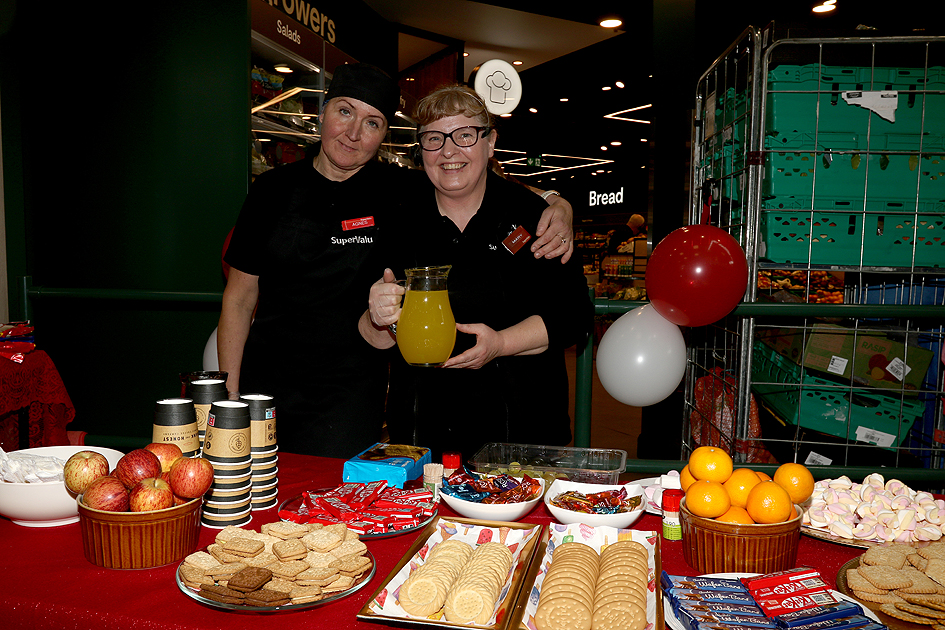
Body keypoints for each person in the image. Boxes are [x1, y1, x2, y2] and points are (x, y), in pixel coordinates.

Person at [219, 64, 576, 457]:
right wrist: (228, 396)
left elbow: (472, 177)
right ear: (322, 112)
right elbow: (238, 299)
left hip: (352, 390)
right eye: (344, 112)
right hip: (268, 377)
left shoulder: (396, 190)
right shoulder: (271, 190)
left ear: (384, 137)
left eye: (372, 123)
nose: (354, 133)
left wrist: (556, 202)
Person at [360, 84, 592, 461]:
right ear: (421, 150)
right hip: (424, 439)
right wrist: (378, 317)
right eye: (434, 139)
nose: (449, 151)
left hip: (523, 434)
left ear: (490, 141)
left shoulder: (535, 217)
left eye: (465, 135)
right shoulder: (399, 220)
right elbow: (372, 336)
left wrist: (501, 344)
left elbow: (573, 316)